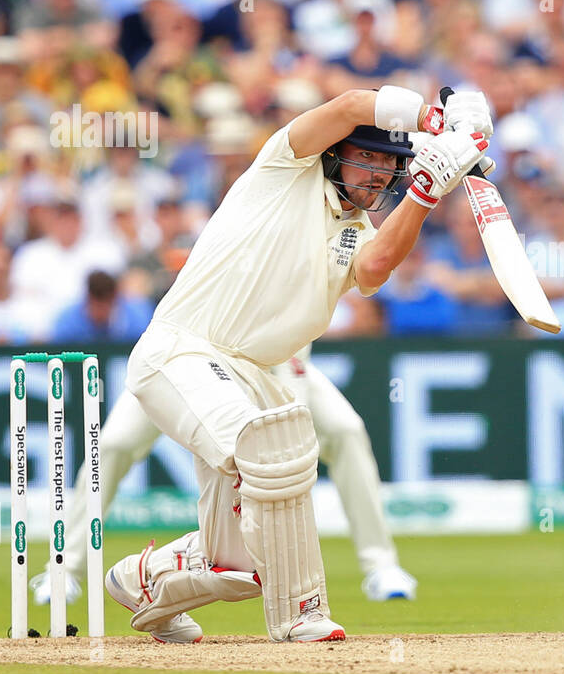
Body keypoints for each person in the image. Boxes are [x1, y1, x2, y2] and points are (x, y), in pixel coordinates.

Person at [104, 84, 491, 643]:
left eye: (393, 164)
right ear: (337, 152)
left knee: (240, 562)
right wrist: (436, 120)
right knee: (272, 451)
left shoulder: (359, 231)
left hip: (252, 374)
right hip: (183, 350)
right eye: (371, 156)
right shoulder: (286, 165)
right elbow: (350, 107)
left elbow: (377, 270)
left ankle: (146, 578)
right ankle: (300, 615)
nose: (382, 173)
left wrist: (429, 188)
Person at [33, 343, 418, 610]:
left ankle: (382, 566)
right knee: (114, 444)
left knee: (347, 431)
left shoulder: (308, 256)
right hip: (180, 362)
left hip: (270, 367)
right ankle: (62, 570)